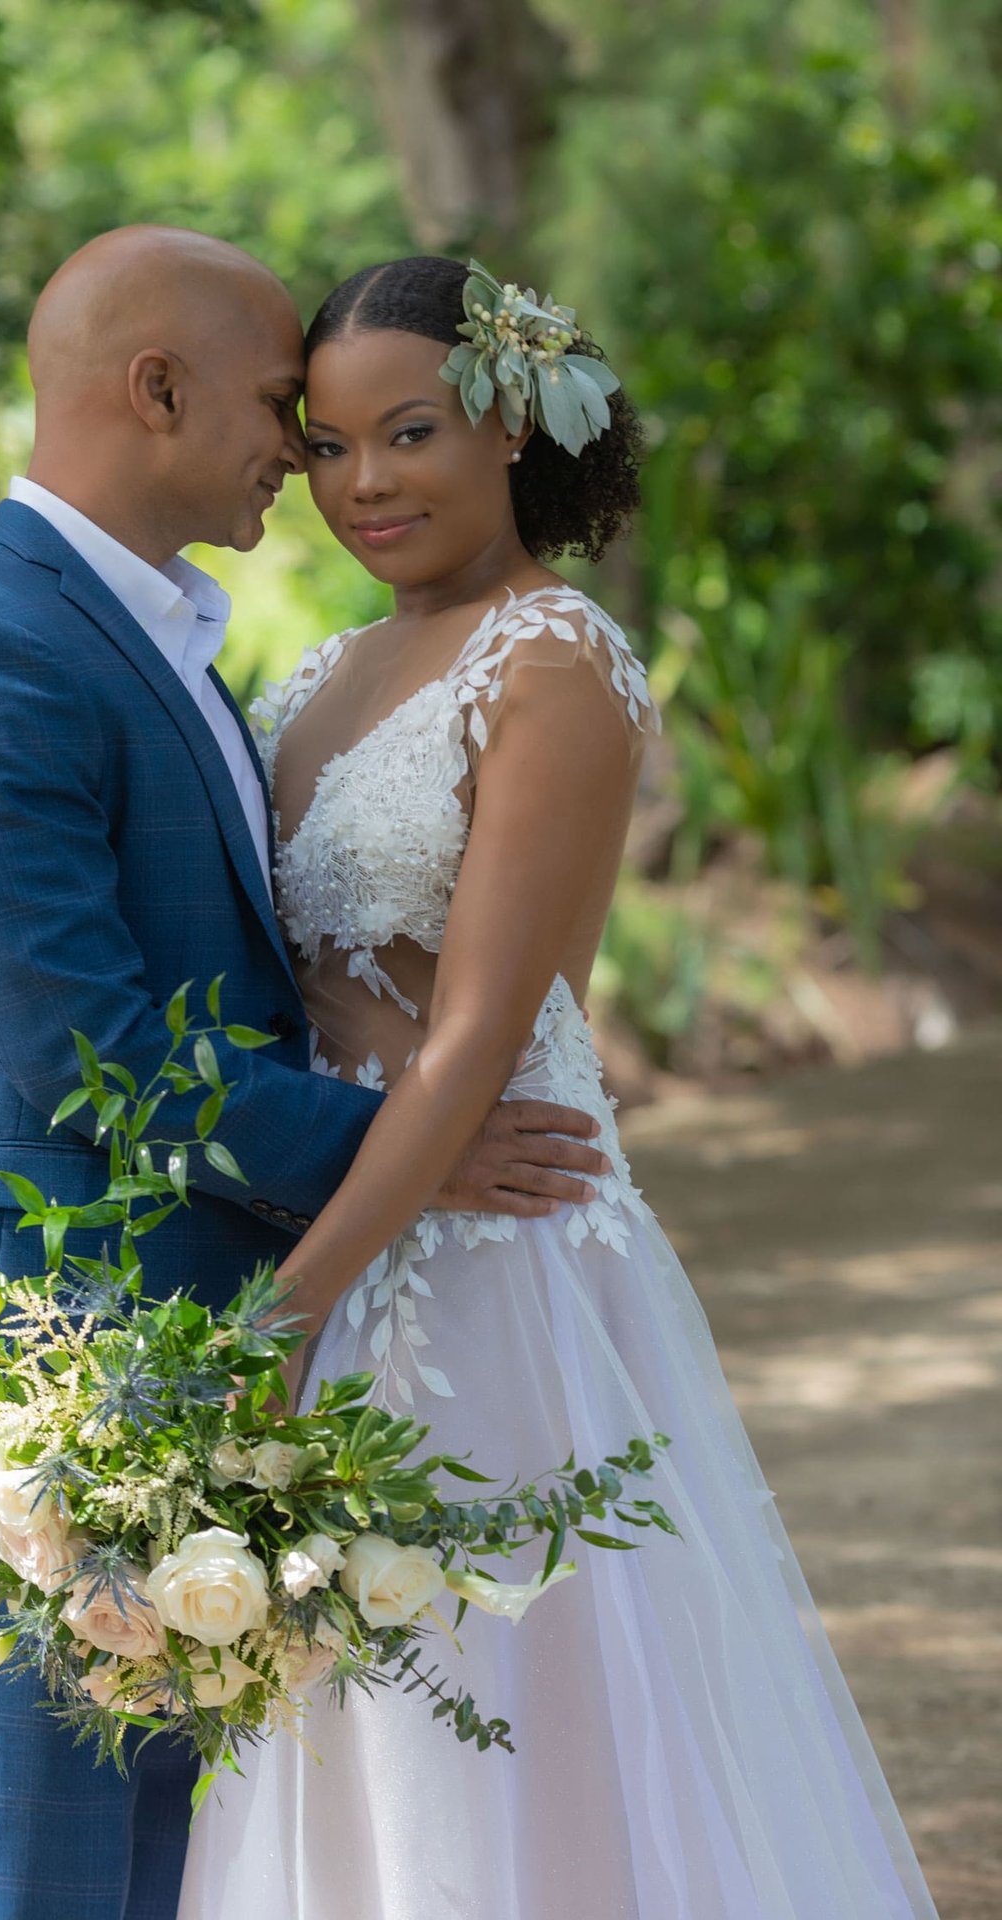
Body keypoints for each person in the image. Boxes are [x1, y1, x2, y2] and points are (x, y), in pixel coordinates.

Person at [0, 228, 611, 1920]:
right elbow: (87, 1051)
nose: (310, 456)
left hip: (200, 1321)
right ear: (158, 389)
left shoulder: (172, 638)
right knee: (53, 1864)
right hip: (38, 1335)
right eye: (291, 413)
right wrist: (408, 1145)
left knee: (198, 1857)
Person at [176, 255, 941, 1918]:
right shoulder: (307, 685)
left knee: (517, 1725)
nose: (365, 481)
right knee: (359, 1733)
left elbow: (476, 1034)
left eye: (413, 432)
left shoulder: (554, 659)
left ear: (512, 421)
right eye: (328, 445)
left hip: (491, 1272)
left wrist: (283, 1311)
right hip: (339, 1247)